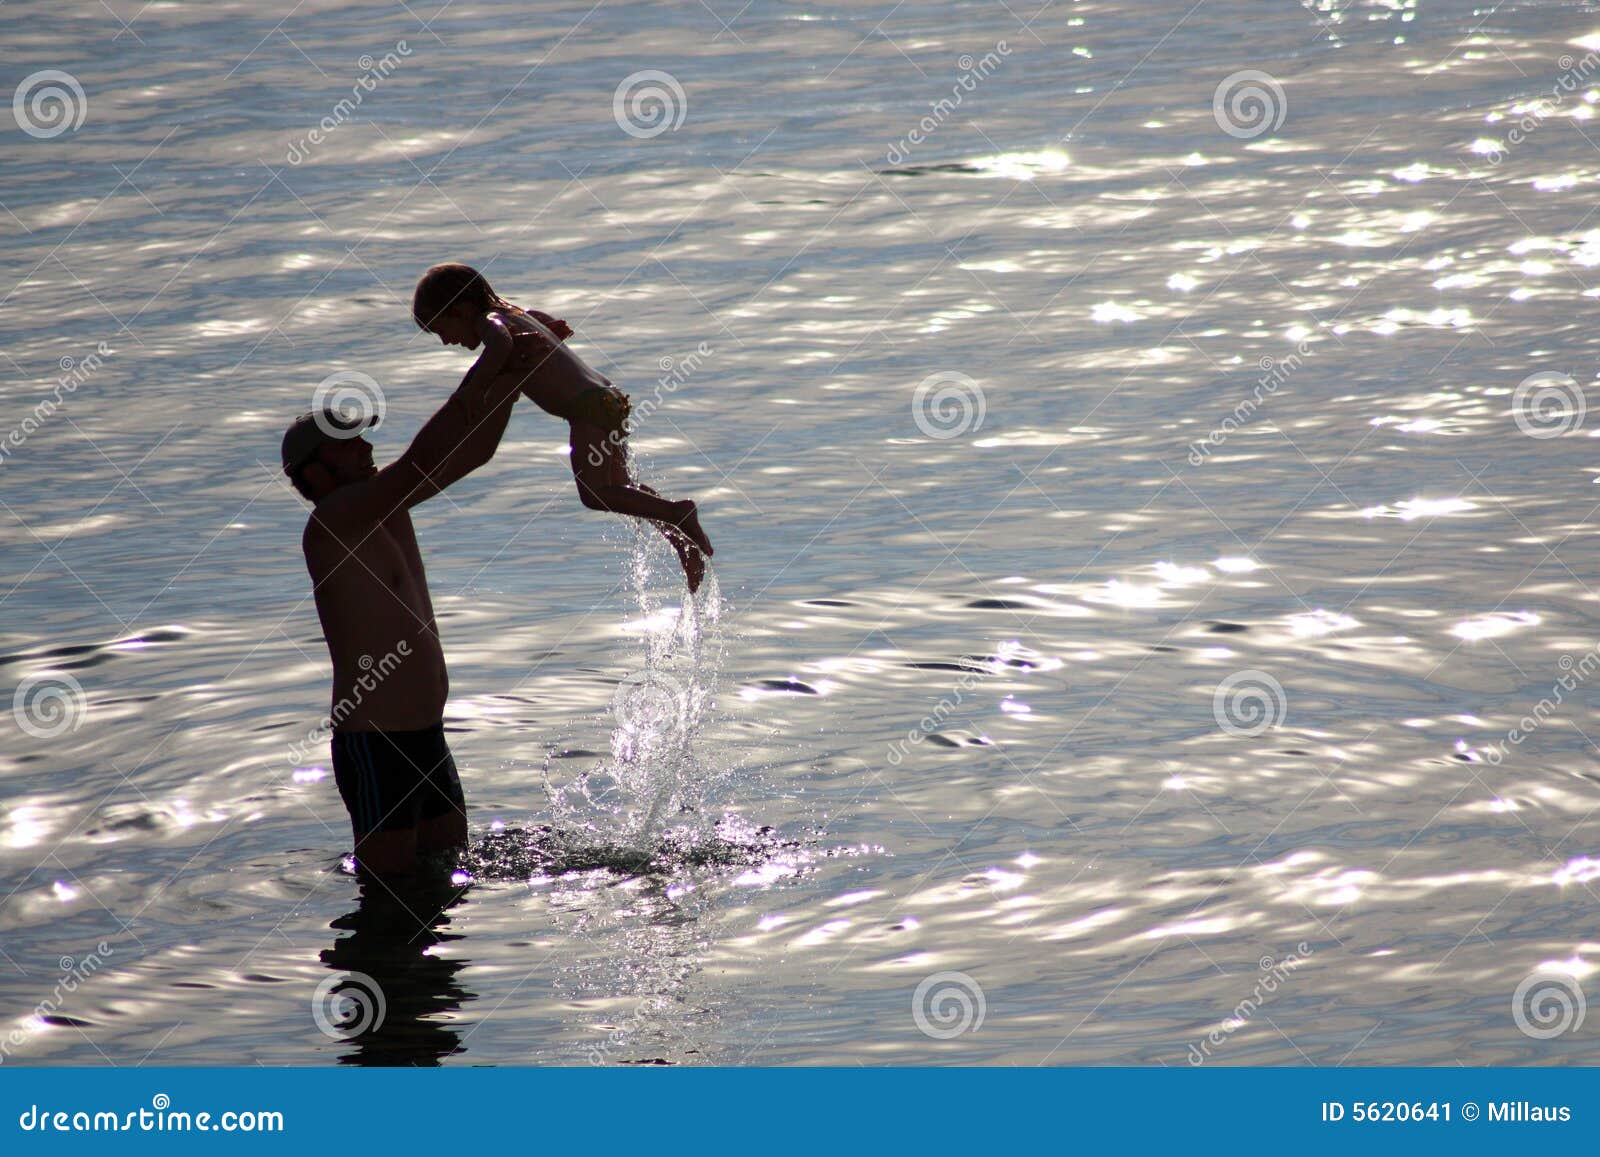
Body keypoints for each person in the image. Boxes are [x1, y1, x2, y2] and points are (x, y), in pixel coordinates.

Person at [283, 332, 542, 877]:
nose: (366, 448)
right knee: (389, 898)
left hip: (427, 739)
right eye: (348, 444)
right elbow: (425, 458)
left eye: (363, 438)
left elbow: (470, 453)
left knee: (444, 883)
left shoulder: (387, 508)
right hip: (377, 746)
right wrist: (493, 360)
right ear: (316, 472)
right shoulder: (332, 523)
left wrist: (515, 381)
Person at [410, 262, 714, 593]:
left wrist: (475, 390)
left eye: (442, 329)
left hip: (586, 410)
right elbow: (541, 320)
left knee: (595, 494)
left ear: (462, 310)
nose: (445, 342)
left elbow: (500, 345)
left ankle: (678, 513)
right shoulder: (519, 314)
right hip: (609, 398)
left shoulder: (491, 321)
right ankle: (681, 540)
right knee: (621, 487)